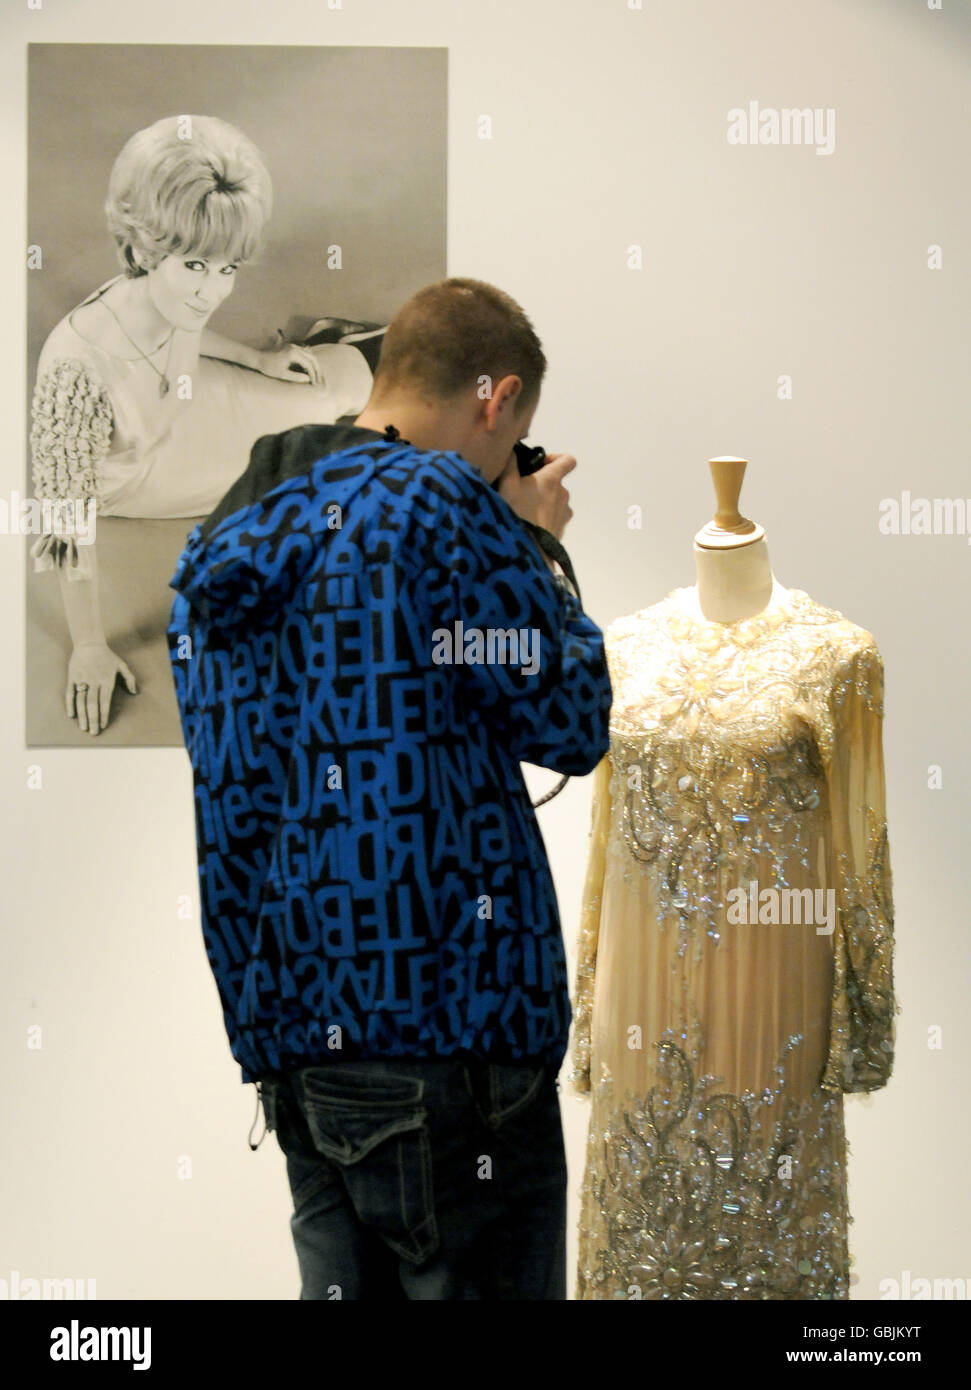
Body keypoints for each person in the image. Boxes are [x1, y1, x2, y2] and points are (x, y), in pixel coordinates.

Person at [166, 277, 613, 1299]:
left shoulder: (229, 534)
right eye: (511, 434)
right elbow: (572, 716)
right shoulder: (438, 504)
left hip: (292, 1045)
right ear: (494, 402)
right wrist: (532, 539)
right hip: (451, 1042)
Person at [29, 114, 380, 736]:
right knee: (304, 454)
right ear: (141, 249)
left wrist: (261, 360)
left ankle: (339, 346)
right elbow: (66, 518)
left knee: (335, 383)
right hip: (146, 469)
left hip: (191, 398)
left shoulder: (173, 290)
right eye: (196, 267)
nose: (213, 291)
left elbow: (190, 326)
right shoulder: (76, 366)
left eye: (228, 269)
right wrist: (87, 643)